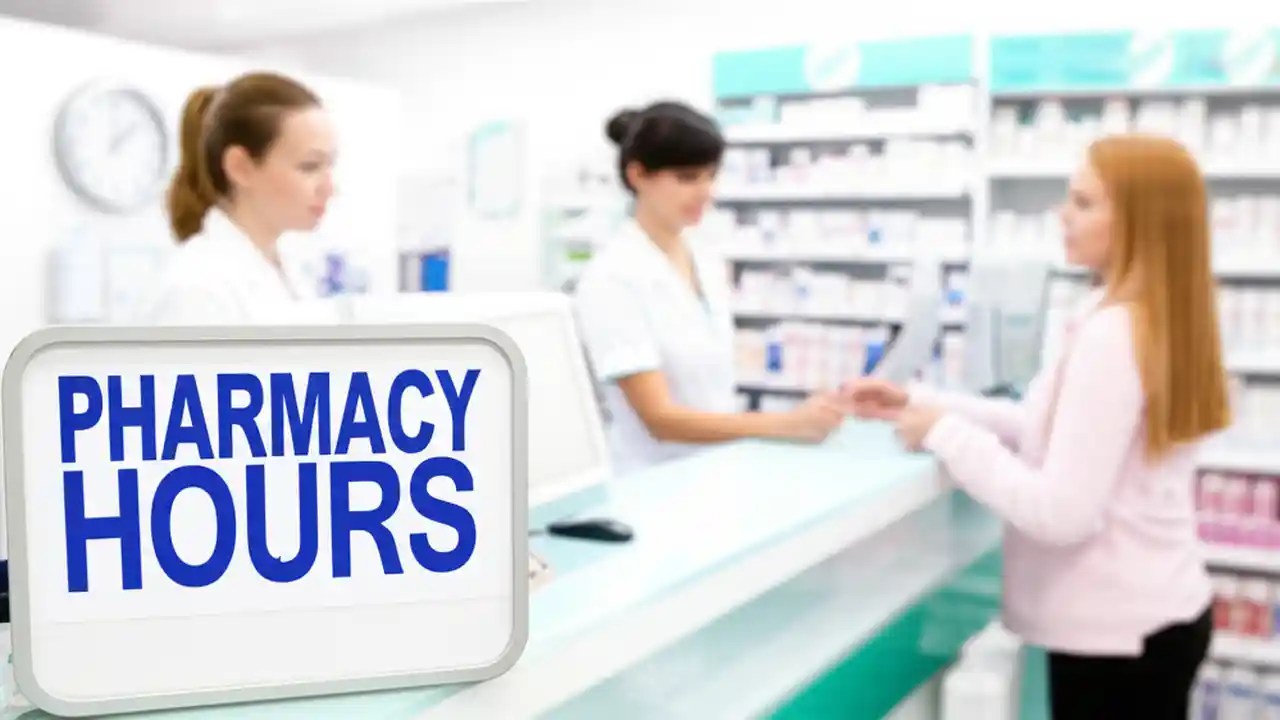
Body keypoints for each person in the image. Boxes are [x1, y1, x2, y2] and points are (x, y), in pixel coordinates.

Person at [845, 134, 1228, 718]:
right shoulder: (1152, 313)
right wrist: (920, 402)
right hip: (1154, 617)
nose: (1062, 214)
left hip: (1119, 638)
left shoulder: (1114, 333)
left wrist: (946, 436)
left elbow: (1061, 513)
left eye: (1083, 202)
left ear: (1136, 222)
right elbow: (1048, 427)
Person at [573, 101, 845, 475]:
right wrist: (785, 424)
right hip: (652, 483)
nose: (705, 193)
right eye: (687, 177)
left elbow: (711, 396)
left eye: (710, 176)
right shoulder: (611, 278)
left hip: (715, 472)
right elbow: (659, 419)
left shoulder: (705, 259)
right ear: (638, 175)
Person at [141, 71, 337, 325]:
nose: (329, 188)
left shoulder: (289, 270)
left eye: (329, 166)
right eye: (309, 166)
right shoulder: (197, 288)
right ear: (240, 167)